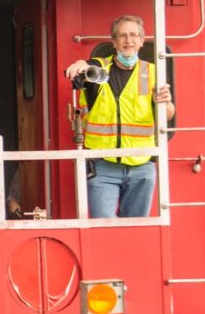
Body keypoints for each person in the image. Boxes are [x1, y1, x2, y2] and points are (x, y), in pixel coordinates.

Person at [64, 14, 174, 219]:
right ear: (114, 42)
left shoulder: (152, 72)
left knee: (135, 231)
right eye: (122, 36)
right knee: (104, 229)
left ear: (142, 40)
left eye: (133, 35)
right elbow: (87, 66)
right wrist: (80, 63)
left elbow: (168, 115)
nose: (128, 40)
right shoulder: (99, 70)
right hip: (104, 165)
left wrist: (166, 102)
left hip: (142, 166)